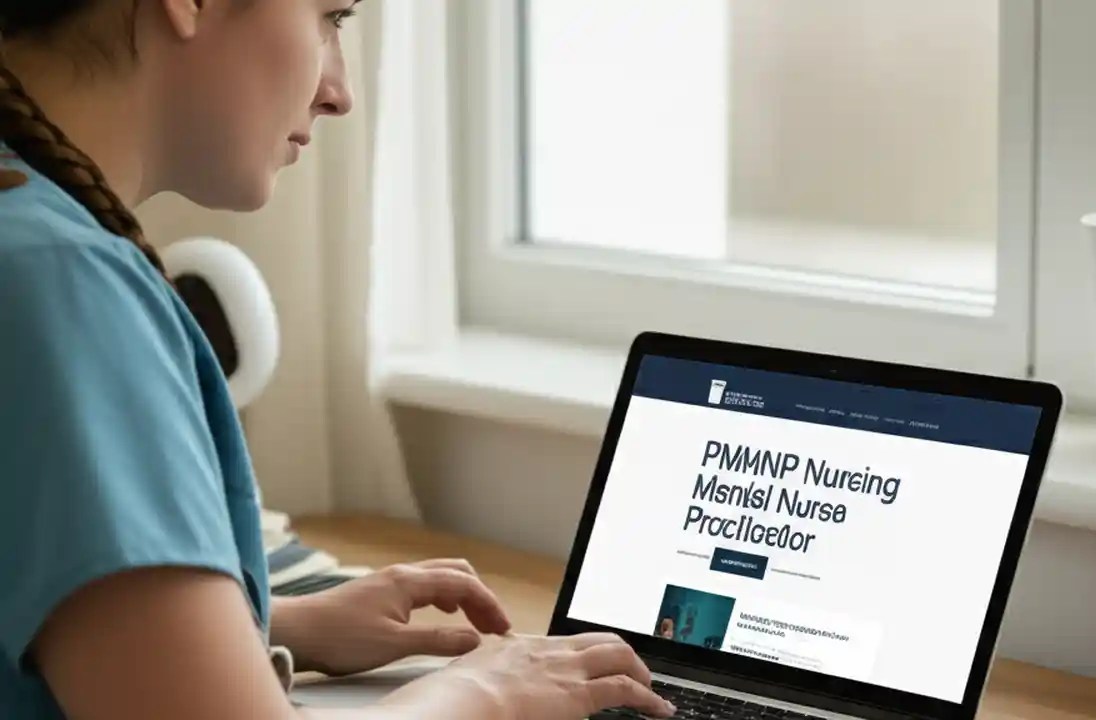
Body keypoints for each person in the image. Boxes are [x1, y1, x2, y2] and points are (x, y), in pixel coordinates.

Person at [0, 2, 675, 718]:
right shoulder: (61, 287)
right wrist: (487, 693)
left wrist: (269, 621)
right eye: (330, 17)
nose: (340, 91)